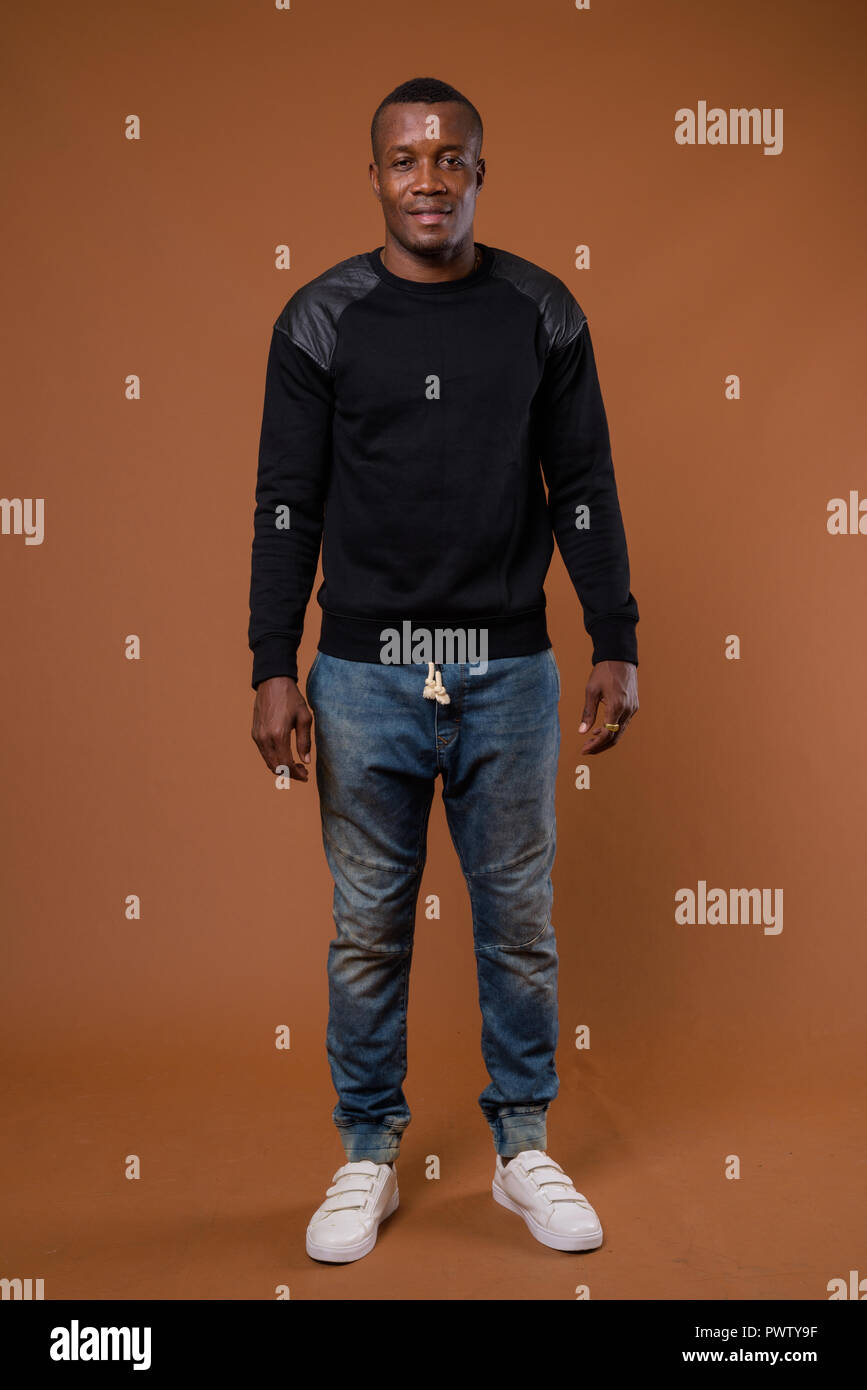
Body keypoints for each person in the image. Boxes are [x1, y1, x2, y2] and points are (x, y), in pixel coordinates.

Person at [248, 76, 640, 1264]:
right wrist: (275, 661)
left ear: (481, 172)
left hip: (508, 670)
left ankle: (524, 1147)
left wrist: (614, 633)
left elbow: (582, 486)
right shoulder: (321, 319)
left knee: (518, 925)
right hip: (364, 677)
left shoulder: (540, 311)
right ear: (373, 175)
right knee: (368, 929)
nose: (428, 178)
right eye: (406, 158)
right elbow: (287, 502)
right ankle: (366, 1152)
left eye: (451, 158)